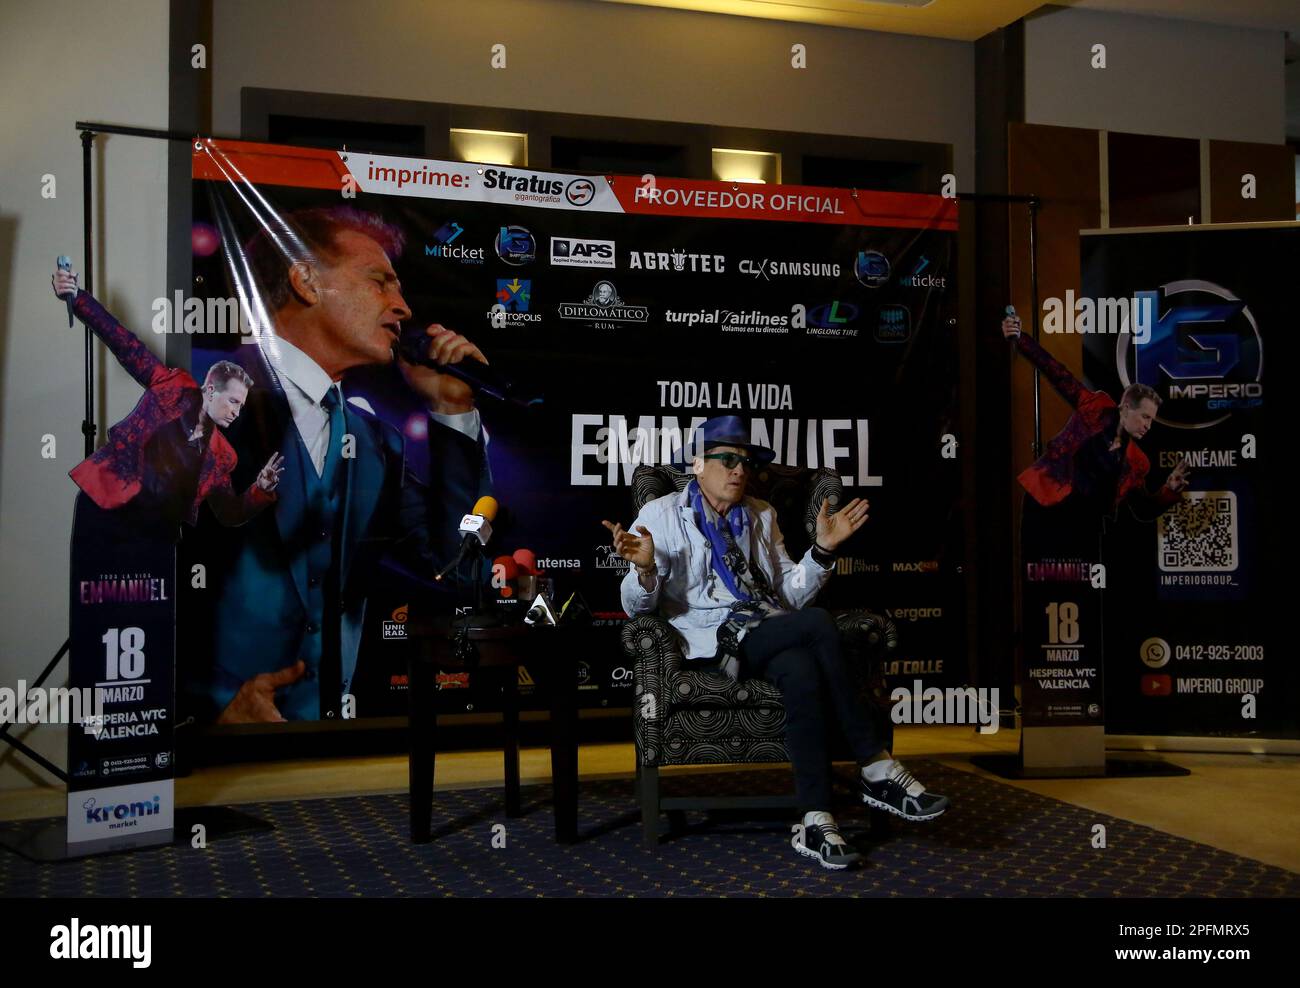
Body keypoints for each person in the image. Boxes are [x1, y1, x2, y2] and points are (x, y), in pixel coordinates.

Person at [602, 415, 949, 871]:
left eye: (744, 461)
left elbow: (787, 592)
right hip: (711, 645)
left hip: (765, 629)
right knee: (818, 624)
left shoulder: (762, 514)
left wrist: (822, 551)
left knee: (802, 669)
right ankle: (874, 763)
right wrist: (646, 570)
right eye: (725, 460)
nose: (738, 470)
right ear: (697, 464)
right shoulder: (659, 515)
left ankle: (815, 817)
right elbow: (635, 609)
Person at [195, 206, 492, 723]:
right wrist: (204, 709)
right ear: (305, 281)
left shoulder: (378, 443)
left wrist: (452, 409)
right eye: (380, 283)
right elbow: (147, 575)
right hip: (202, 760)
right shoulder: (197, 401)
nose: (402, 307)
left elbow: (458, 566)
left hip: (332, 758)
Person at [52, 265, 282, 543]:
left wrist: (259, 489)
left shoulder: (223, 456)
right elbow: (124, 344)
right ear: (210, 390)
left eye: (241, 406)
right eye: (233, 400)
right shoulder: (172, 386)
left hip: (157, 535)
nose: (236, 411)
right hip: (107, 510)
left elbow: (229, 513)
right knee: (98, 586)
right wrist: (77, 298)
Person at [1001, 313, 1190, 554]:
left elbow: (1143, 510)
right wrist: (1020, 338)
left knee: (1081, 588)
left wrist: (1169, 490)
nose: (1148, 426)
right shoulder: (1096, 407)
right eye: (1145, 417)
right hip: (1046, 506)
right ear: (1125, 408)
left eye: (1151, 420)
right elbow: (1057, 373)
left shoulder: (1137, 462)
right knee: (1038, 581)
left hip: (1085, 526)